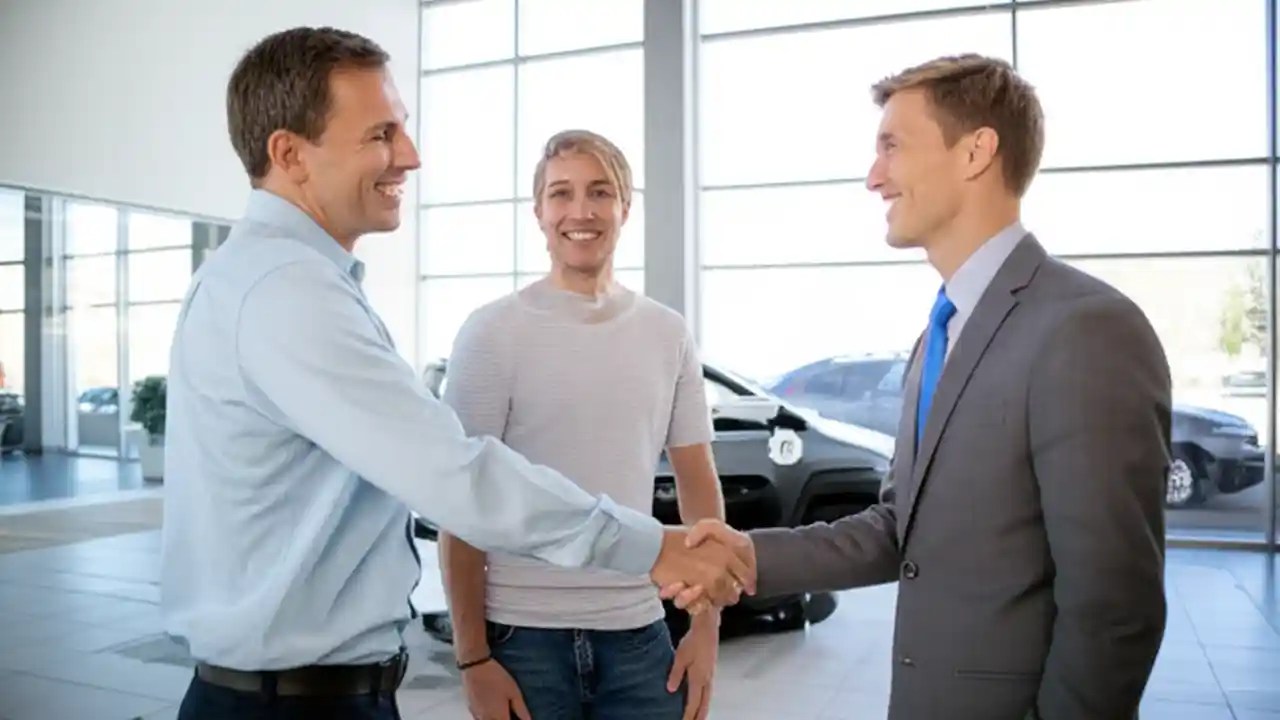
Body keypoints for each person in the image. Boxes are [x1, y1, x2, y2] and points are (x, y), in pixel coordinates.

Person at [162, 27, 752, 720]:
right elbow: (455, 477)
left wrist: (696, 609)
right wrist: (653, 548)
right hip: (292, 703)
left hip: (310, 691)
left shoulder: (284, 280)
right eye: (382, 134)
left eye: (402, 129)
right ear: (290, 154)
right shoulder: (287, 291)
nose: (409, 156)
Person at [678, 54, 1171, 720]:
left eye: (892, 146)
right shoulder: (942, 332)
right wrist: (749, 554)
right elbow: (899, 527)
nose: (873, 176)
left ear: (975, 152)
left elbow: (1114, 608)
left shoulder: (1086, 329)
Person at [439, 129, 724, 720]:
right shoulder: (491, 333)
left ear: (625, 207)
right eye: (561, 193)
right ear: (539, 211)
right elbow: (462, 502)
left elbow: (698, 485)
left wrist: (705, 629)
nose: (581, 211)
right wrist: (472, 656)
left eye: (599, 192)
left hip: (640, 634)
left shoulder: (667, 333)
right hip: (522, 639)